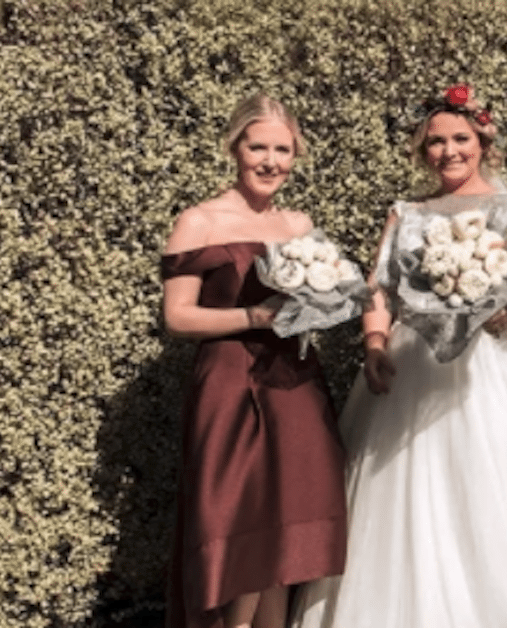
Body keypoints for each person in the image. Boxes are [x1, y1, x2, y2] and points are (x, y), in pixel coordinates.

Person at [289, 86, 507, 627]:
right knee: (416, 487)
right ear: (421, 150)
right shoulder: (406, 212)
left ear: (483, 142)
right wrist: (375, 343)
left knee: (501, 481)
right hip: (417, 359)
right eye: (436, 142)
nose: (448, 151)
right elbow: (381, 285)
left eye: (460, 139)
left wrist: (501, 299)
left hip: (500, 363)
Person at [160, 93, 347, 628]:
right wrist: (253, 319)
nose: (271, 161)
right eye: (258, 146)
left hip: (296, 386)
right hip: (229, 388)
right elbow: (179, 317)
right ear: (234, 147)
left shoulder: (299, 224)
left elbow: (320, 299)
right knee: (241, 524)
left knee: (288, 527)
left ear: (297, 154)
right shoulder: (198, 222)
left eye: (283, 150)